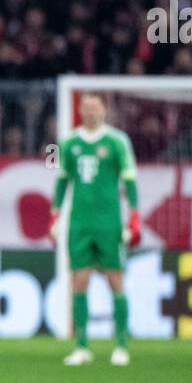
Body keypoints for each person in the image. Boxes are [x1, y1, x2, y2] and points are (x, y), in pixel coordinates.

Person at [49, 92, 140, 366]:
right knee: (79, 280)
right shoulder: (69, 142)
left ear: (104, 110)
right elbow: (62, 181)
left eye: (95, 108)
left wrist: (134, 215)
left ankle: (121, 344)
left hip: (109, 222)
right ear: (80, 109)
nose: (91, 112)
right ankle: (81, 345)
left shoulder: (117, 141)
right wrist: (55, 214)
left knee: (115, 279)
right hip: (79, 222)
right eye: (86, 108)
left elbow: (130, 180)